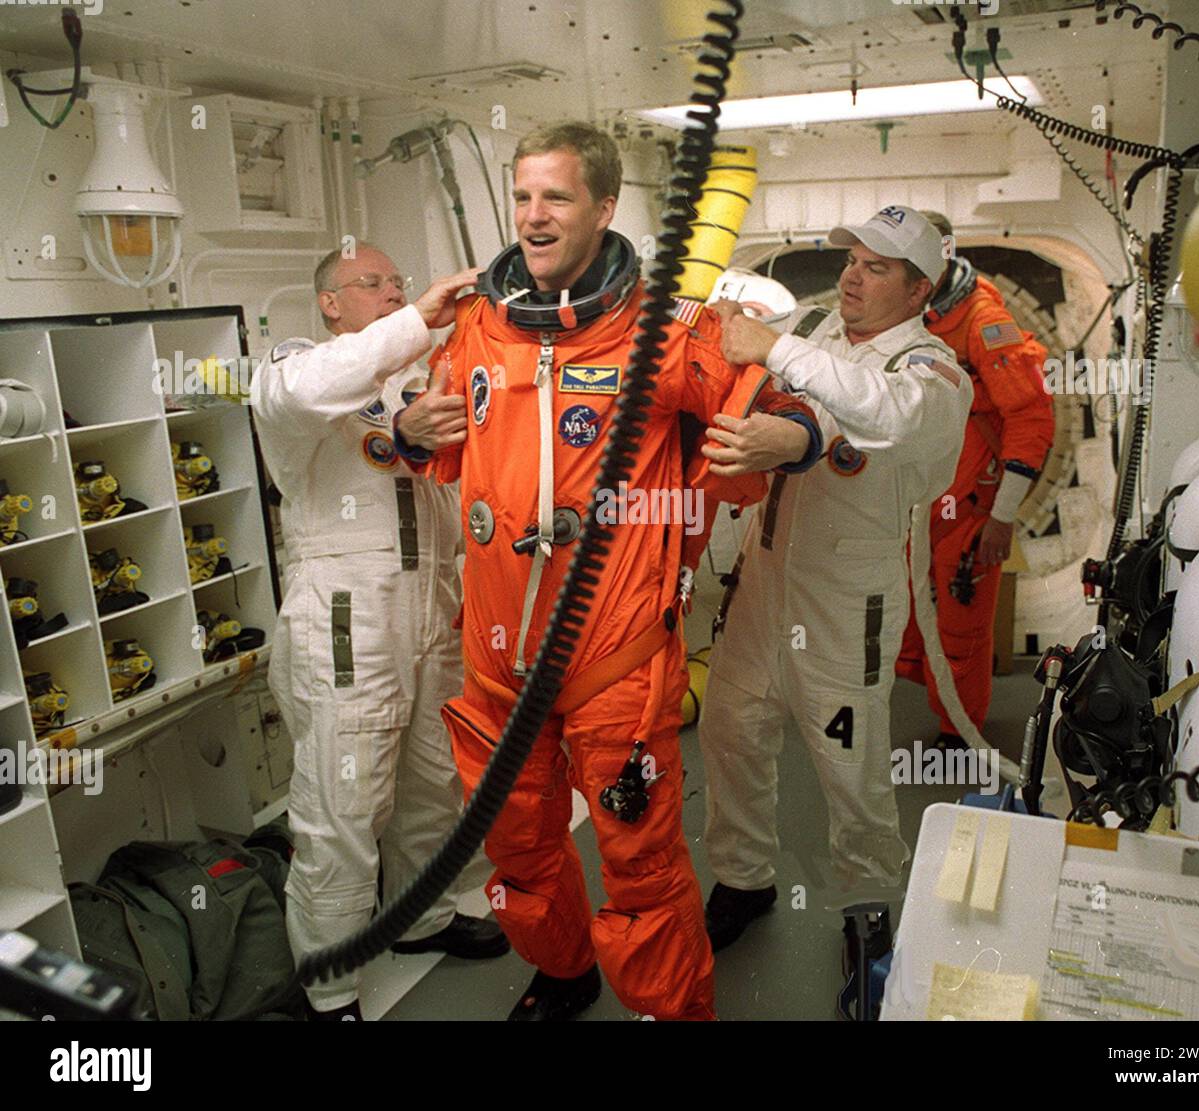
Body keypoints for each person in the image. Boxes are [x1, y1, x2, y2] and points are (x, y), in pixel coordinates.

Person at [394, 121, 820, 1020]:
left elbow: (770, 398)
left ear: (603, 207)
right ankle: (563, 971)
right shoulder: (478, 326)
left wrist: (798, 434)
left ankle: (672, 1011)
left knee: (642, 865)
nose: (533, 215)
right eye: (522, 196)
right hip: (500, 666)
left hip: (610, 664)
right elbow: (429, 428)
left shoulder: (664, 331)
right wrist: (404, 434)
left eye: (556, 196)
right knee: (517, 848)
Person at [699, 205, 974, 950]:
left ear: (919, 290)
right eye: (851, 259)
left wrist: (777, 354)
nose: (853, 273)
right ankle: (743, 874)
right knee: (731, 728)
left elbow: (879, 414)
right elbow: (803, 405)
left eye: (877, 266)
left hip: (848, 598)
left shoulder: (935, 372)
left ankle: (869, 901)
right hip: (766, 577)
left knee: (849, 763)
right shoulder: (820, 333)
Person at [250, 244, 507, 1022]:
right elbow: (310, 395)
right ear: (330, 302)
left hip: (427, 603)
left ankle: (422, 918)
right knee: (343, 805)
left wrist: (421, 427)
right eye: (375, 283)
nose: (393, 292)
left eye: (398, 282)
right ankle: (328, 990)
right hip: (346, 614)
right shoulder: (297, 369)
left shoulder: (409, 382)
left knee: (434, 785)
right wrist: (415, 322)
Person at [894, 211, 1055, 750]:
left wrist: (1002, 517)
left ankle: (959, 732)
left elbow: (1032, 419)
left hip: (970, 504)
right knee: (913, 606)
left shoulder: (982, 322)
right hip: (918, 496)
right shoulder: (908, 312)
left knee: (962, 618)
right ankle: (936, 696)